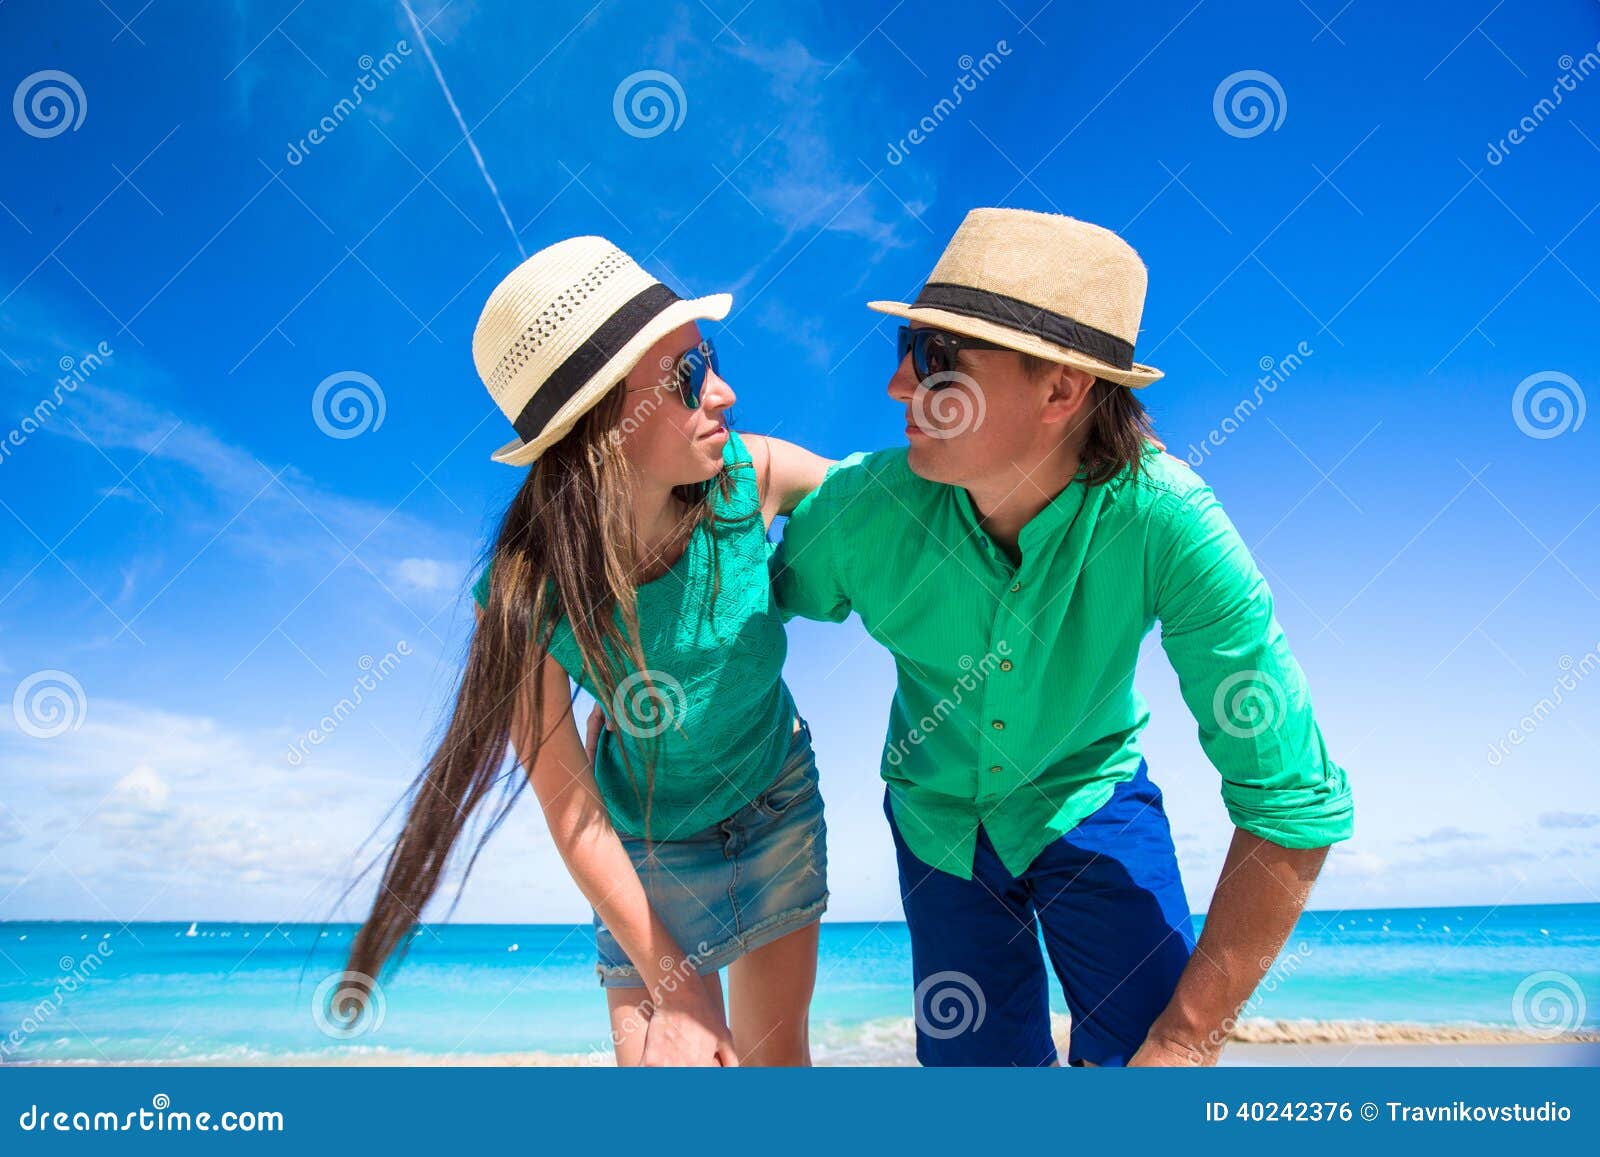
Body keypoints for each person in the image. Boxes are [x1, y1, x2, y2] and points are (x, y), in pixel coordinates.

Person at [772, 207, 1354, 1067]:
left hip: (1092, 795)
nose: (898, 386)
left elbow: (1293, 800)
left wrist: (1188, 1042)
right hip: (938, 823)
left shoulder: (1170, 523)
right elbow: (741, 605)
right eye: (905, 353)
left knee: (1145, 1070)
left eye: (935, 359)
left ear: (1060, 391)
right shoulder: (865, 512)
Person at [343, 236, 833, 1066]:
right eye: (686, 374)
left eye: (706, 357)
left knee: (775, 1075)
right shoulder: (528, 594)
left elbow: (896, 508)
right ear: (605, 422)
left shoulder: (754, 476)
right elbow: (571, 810)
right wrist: (672, 985)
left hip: (773, 798)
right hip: (640, 848)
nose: (724, 390)